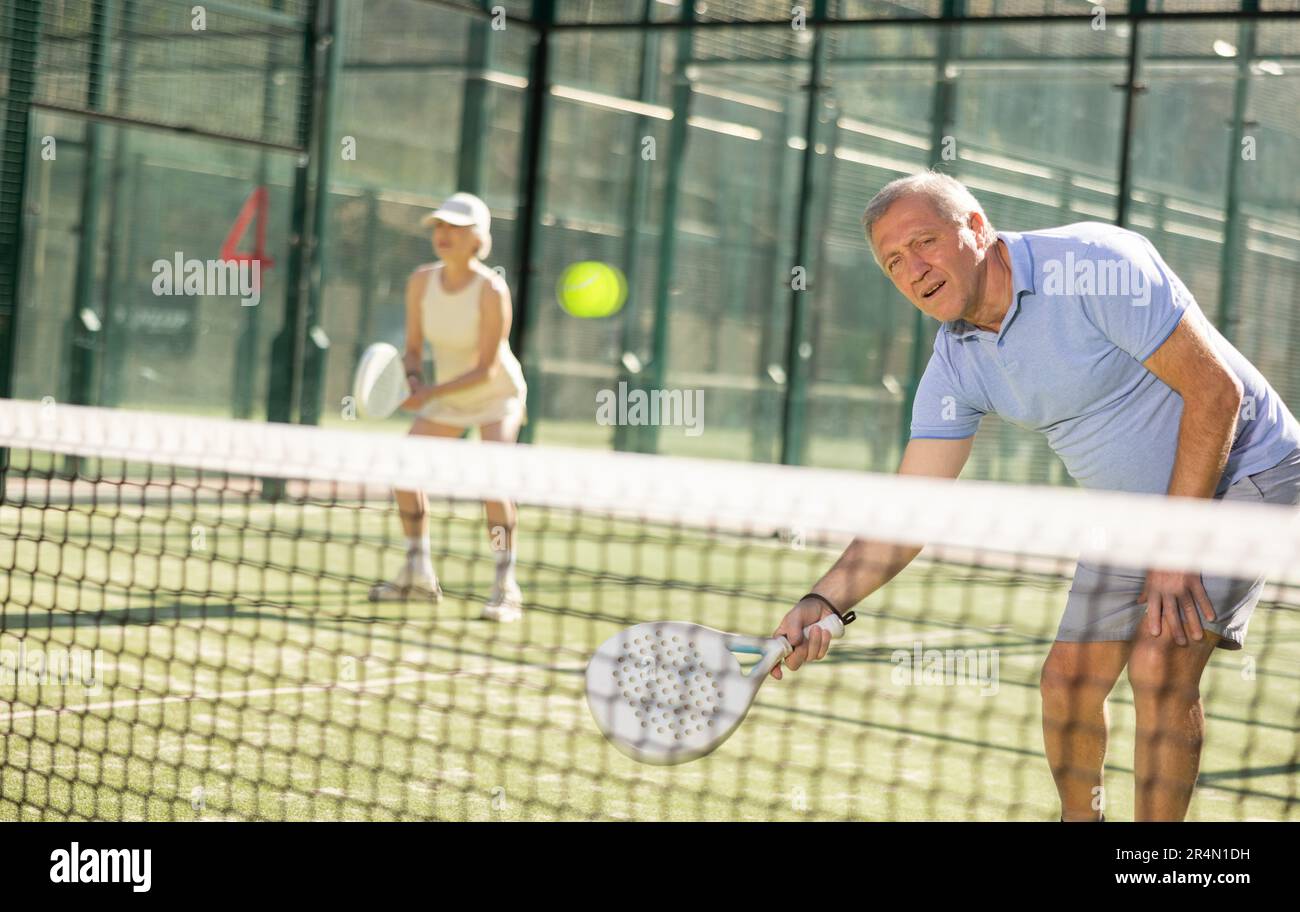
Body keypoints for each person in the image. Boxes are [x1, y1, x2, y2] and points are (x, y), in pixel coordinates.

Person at [772, 171, 1300, 822]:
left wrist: (1176, 545)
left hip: (1248, 471)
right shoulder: (955, 364)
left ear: (976, 227)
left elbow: (1218, 393)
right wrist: (824, 599)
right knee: (1066, 683)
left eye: (926, 241)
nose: (913, 269)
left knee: (1162, 663)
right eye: (893, 263)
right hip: (1130, 512)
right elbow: (914, 508)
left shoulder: (1094, 266)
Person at [368, 192, 529, 623]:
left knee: (494, 480)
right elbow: (415, 350)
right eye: (439, 226)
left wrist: (429, 393)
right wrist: (415, 378)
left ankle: (504, 585)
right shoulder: (421, 281)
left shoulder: (492, 291)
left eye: (456, 228)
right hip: (446, 395)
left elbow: (486, 368)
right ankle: (418, 573)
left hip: (496, 394)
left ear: (478, 239)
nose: (444, 234)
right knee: (405, 470)